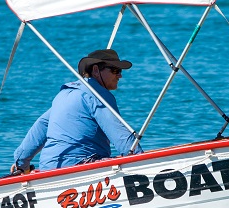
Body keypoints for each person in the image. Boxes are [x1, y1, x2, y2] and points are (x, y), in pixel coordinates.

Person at [13, 49, 143, 172]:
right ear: (96, 70)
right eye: (115, 70)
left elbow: (41, 127)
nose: (120, 75)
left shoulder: (64, 94)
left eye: (120, 71)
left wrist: (21, 164)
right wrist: (140, 161)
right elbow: (120, 135)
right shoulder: (97, 95)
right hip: (79, 167)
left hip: (48, 168)